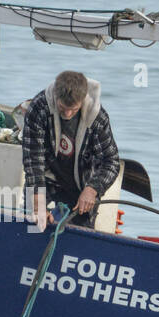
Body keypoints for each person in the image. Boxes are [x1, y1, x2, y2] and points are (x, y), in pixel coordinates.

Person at [21, 70, 120, 229]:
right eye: (62, 108)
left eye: (73, 109)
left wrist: (93, 188)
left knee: (79, 235)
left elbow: (111, 162)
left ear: (82, 101)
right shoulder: (39, 108)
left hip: (81, 186)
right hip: (45, 179)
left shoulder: (98, 118)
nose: (67, 114)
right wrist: (39, 204)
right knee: (33, 225)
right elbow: (33, 159)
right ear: (56, 96)